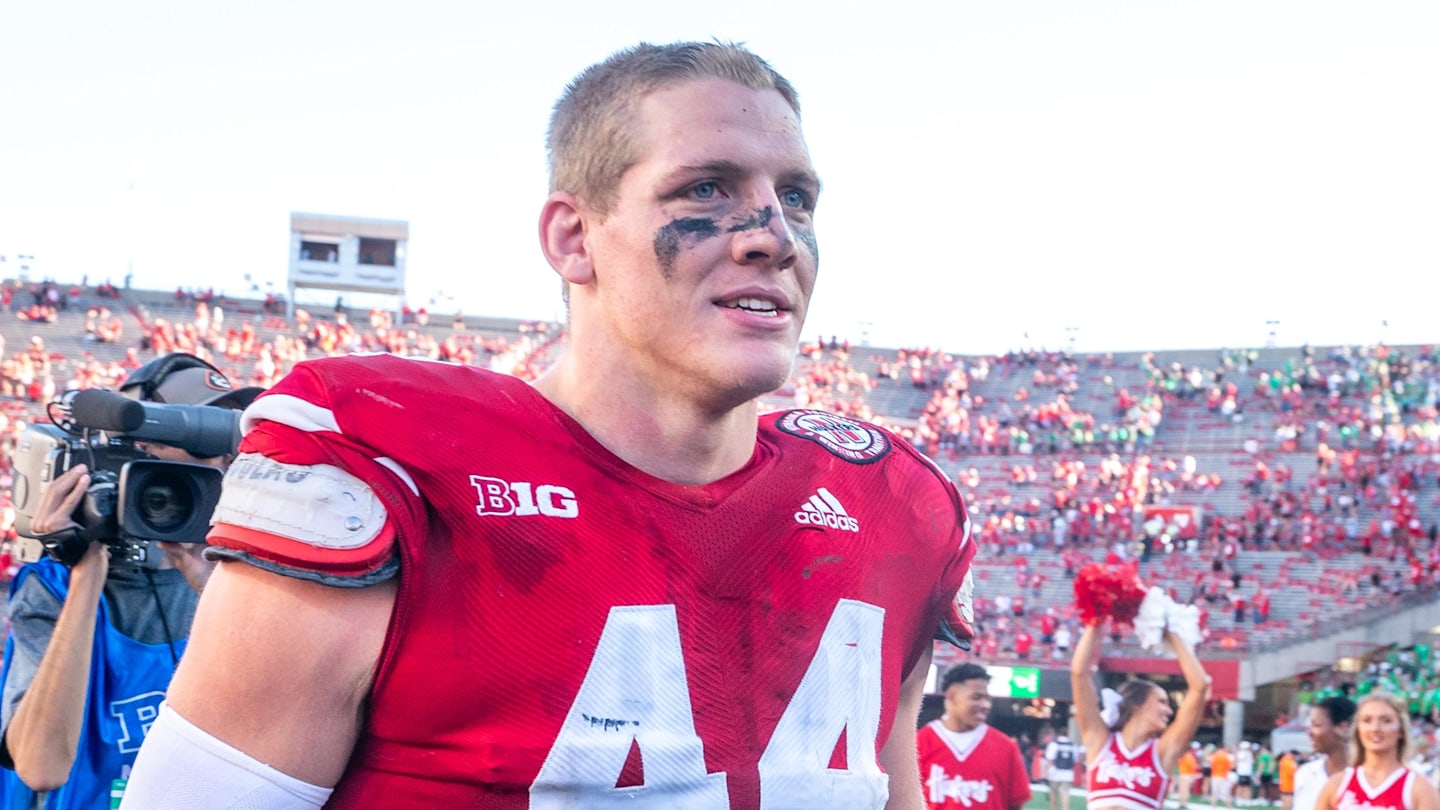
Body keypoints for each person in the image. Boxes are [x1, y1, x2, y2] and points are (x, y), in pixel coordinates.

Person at [121, 41, 976, 809]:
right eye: (706, 187)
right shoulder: (389, 458)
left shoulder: (891, 505)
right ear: (575, 239)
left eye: (796, 197)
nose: (775, 237)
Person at [0, 353, 260, 809]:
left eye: (229, 442)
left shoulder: (229, 582)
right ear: (141, 451)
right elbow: (40, 766)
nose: (223, 458)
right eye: (203, 436)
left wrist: (210, 587)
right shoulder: (53, 586)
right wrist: (86, 574)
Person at [1071, 618, 1211, 810]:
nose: (1169, 711)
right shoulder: (1101, 741)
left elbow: (1199, 687)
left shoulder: (1162, 752)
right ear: (1137, 705)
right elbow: (1079, 674)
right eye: (1162, 701)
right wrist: (1093, 624)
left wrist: (1173, 635)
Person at [916, 664, 1031, 810]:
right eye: (976, 697)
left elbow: (1015, 805)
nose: (985, 705)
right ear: (952, 695)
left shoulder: (1005, 746)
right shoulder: (919, 743)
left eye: (987, 698)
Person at [1314, 692, 1440, 810]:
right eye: (1367, 720)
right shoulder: (1337, 785)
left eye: (1386, 720)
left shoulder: (1418, 789)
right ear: (1358, 729)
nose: (1375, 728)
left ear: (1401, 729)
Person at [1293, 696, 1356, 810]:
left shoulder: (1367, 778)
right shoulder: (1306, 774)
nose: (1310, 733)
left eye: (1316, 725)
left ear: (1343, 727)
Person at [1045, 731, 1078, 810]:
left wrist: (1050, 769)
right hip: (1068, 772)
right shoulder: (1072, 745)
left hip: (1056, 771)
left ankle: (1053, 808)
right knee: (1065, 792)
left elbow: (1050, 757)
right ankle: (1065, 808)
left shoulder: (1054, 744)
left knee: (1053, 792)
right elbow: (1075, 759)